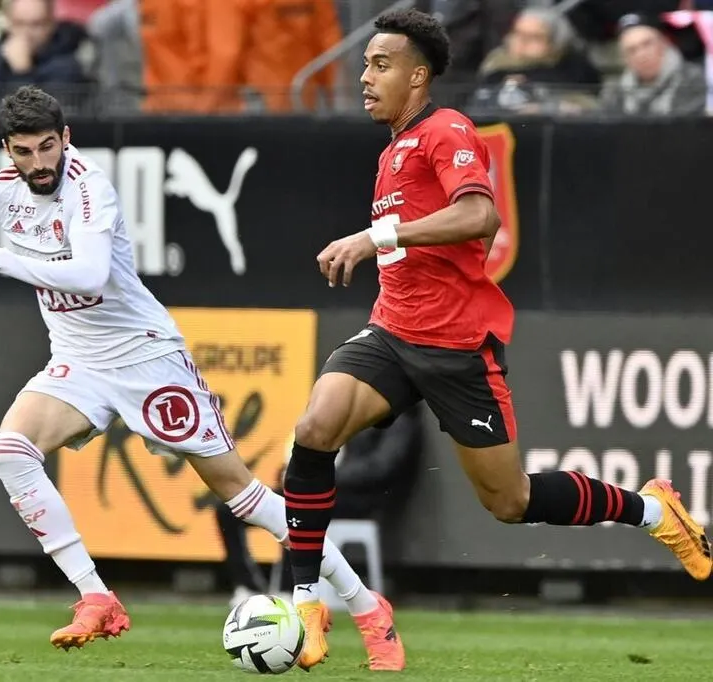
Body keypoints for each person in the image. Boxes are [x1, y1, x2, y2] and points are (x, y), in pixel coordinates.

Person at [0, 85, 384, 665]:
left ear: (65, 139)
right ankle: (96, 596)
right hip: (79, 362)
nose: (38, 164)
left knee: (244, 496)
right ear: (7, 150)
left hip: (145, 358)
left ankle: (367, 609)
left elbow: (87, 277)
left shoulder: (91, 190)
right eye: (23, 152)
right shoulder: (3, 190)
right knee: (10, 447)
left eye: (46, 148)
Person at [281, 8, 713, 673]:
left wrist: (377, 237)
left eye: (381, 64)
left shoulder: (446, 129)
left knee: (509, 502)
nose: (366, 77)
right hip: (393, 331)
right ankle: (307, 607)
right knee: (314, 429)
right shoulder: (393, 147)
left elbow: (481, 214)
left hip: (456, 345)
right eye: (365, 64)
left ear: (419, 76)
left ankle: (654, 511)